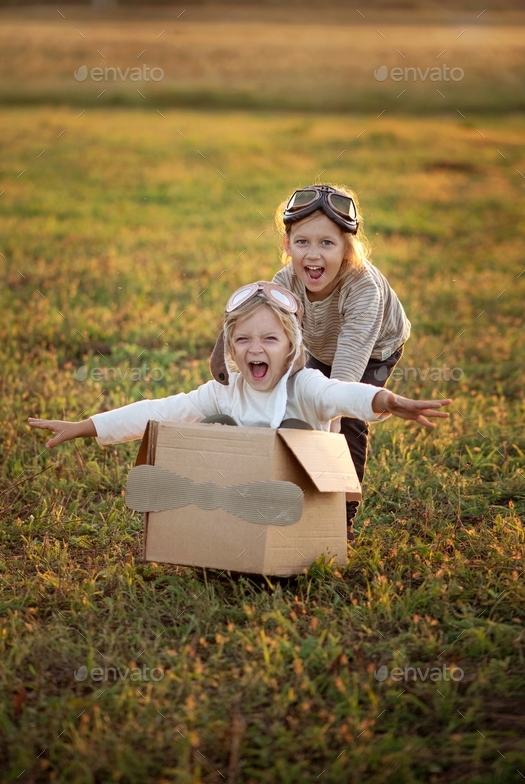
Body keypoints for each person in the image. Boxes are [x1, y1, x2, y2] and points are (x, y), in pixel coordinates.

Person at [29, 283, 448, 541]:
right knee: (211, 424)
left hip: (299, 512)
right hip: (239, 510)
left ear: (291, 348)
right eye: (243, 339)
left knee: (295, 428)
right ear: (230, 349)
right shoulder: (226, 393)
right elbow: (160, 411)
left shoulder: (304, 386)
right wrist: (86, 426)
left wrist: (388, 401)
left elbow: (345, 394)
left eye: (269, 338)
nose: (256, 349)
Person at [270, 184, 411, 536]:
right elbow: (268, 343)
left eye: (327, 243)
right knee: (296, 406)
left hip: (374, 348)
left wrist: (327, 427)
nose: (312, 255)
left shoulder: (363, 288)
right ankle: (289, 493)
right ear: (287, 245)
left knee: (346, 420)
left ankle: (341, 513)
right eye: (302, 242)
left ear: (348, 250)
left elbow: (343, 388)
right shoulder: (284, 282)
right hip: (319, 345)